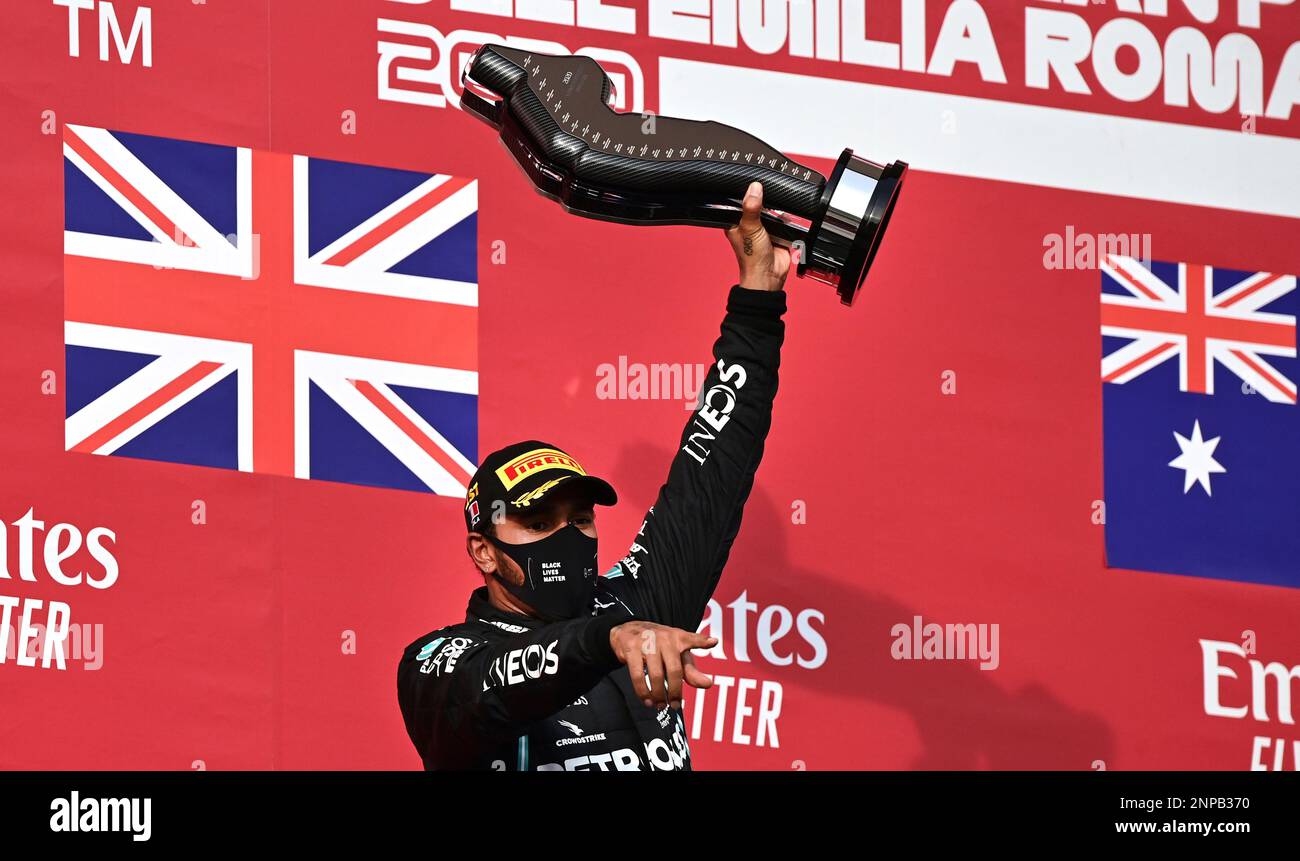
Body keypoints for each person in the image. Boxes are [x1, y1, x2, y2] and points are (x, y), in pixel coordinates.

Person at [396, 181, 791, 770]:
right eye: (537, 522)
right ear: (483, 549)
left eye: (580, 519)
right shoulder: (441, 662)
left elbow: (710, 476)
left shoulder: (639, 604)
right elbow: (490, 689)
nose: (567, 536)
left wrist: (757, 296)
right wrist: (608, 640)